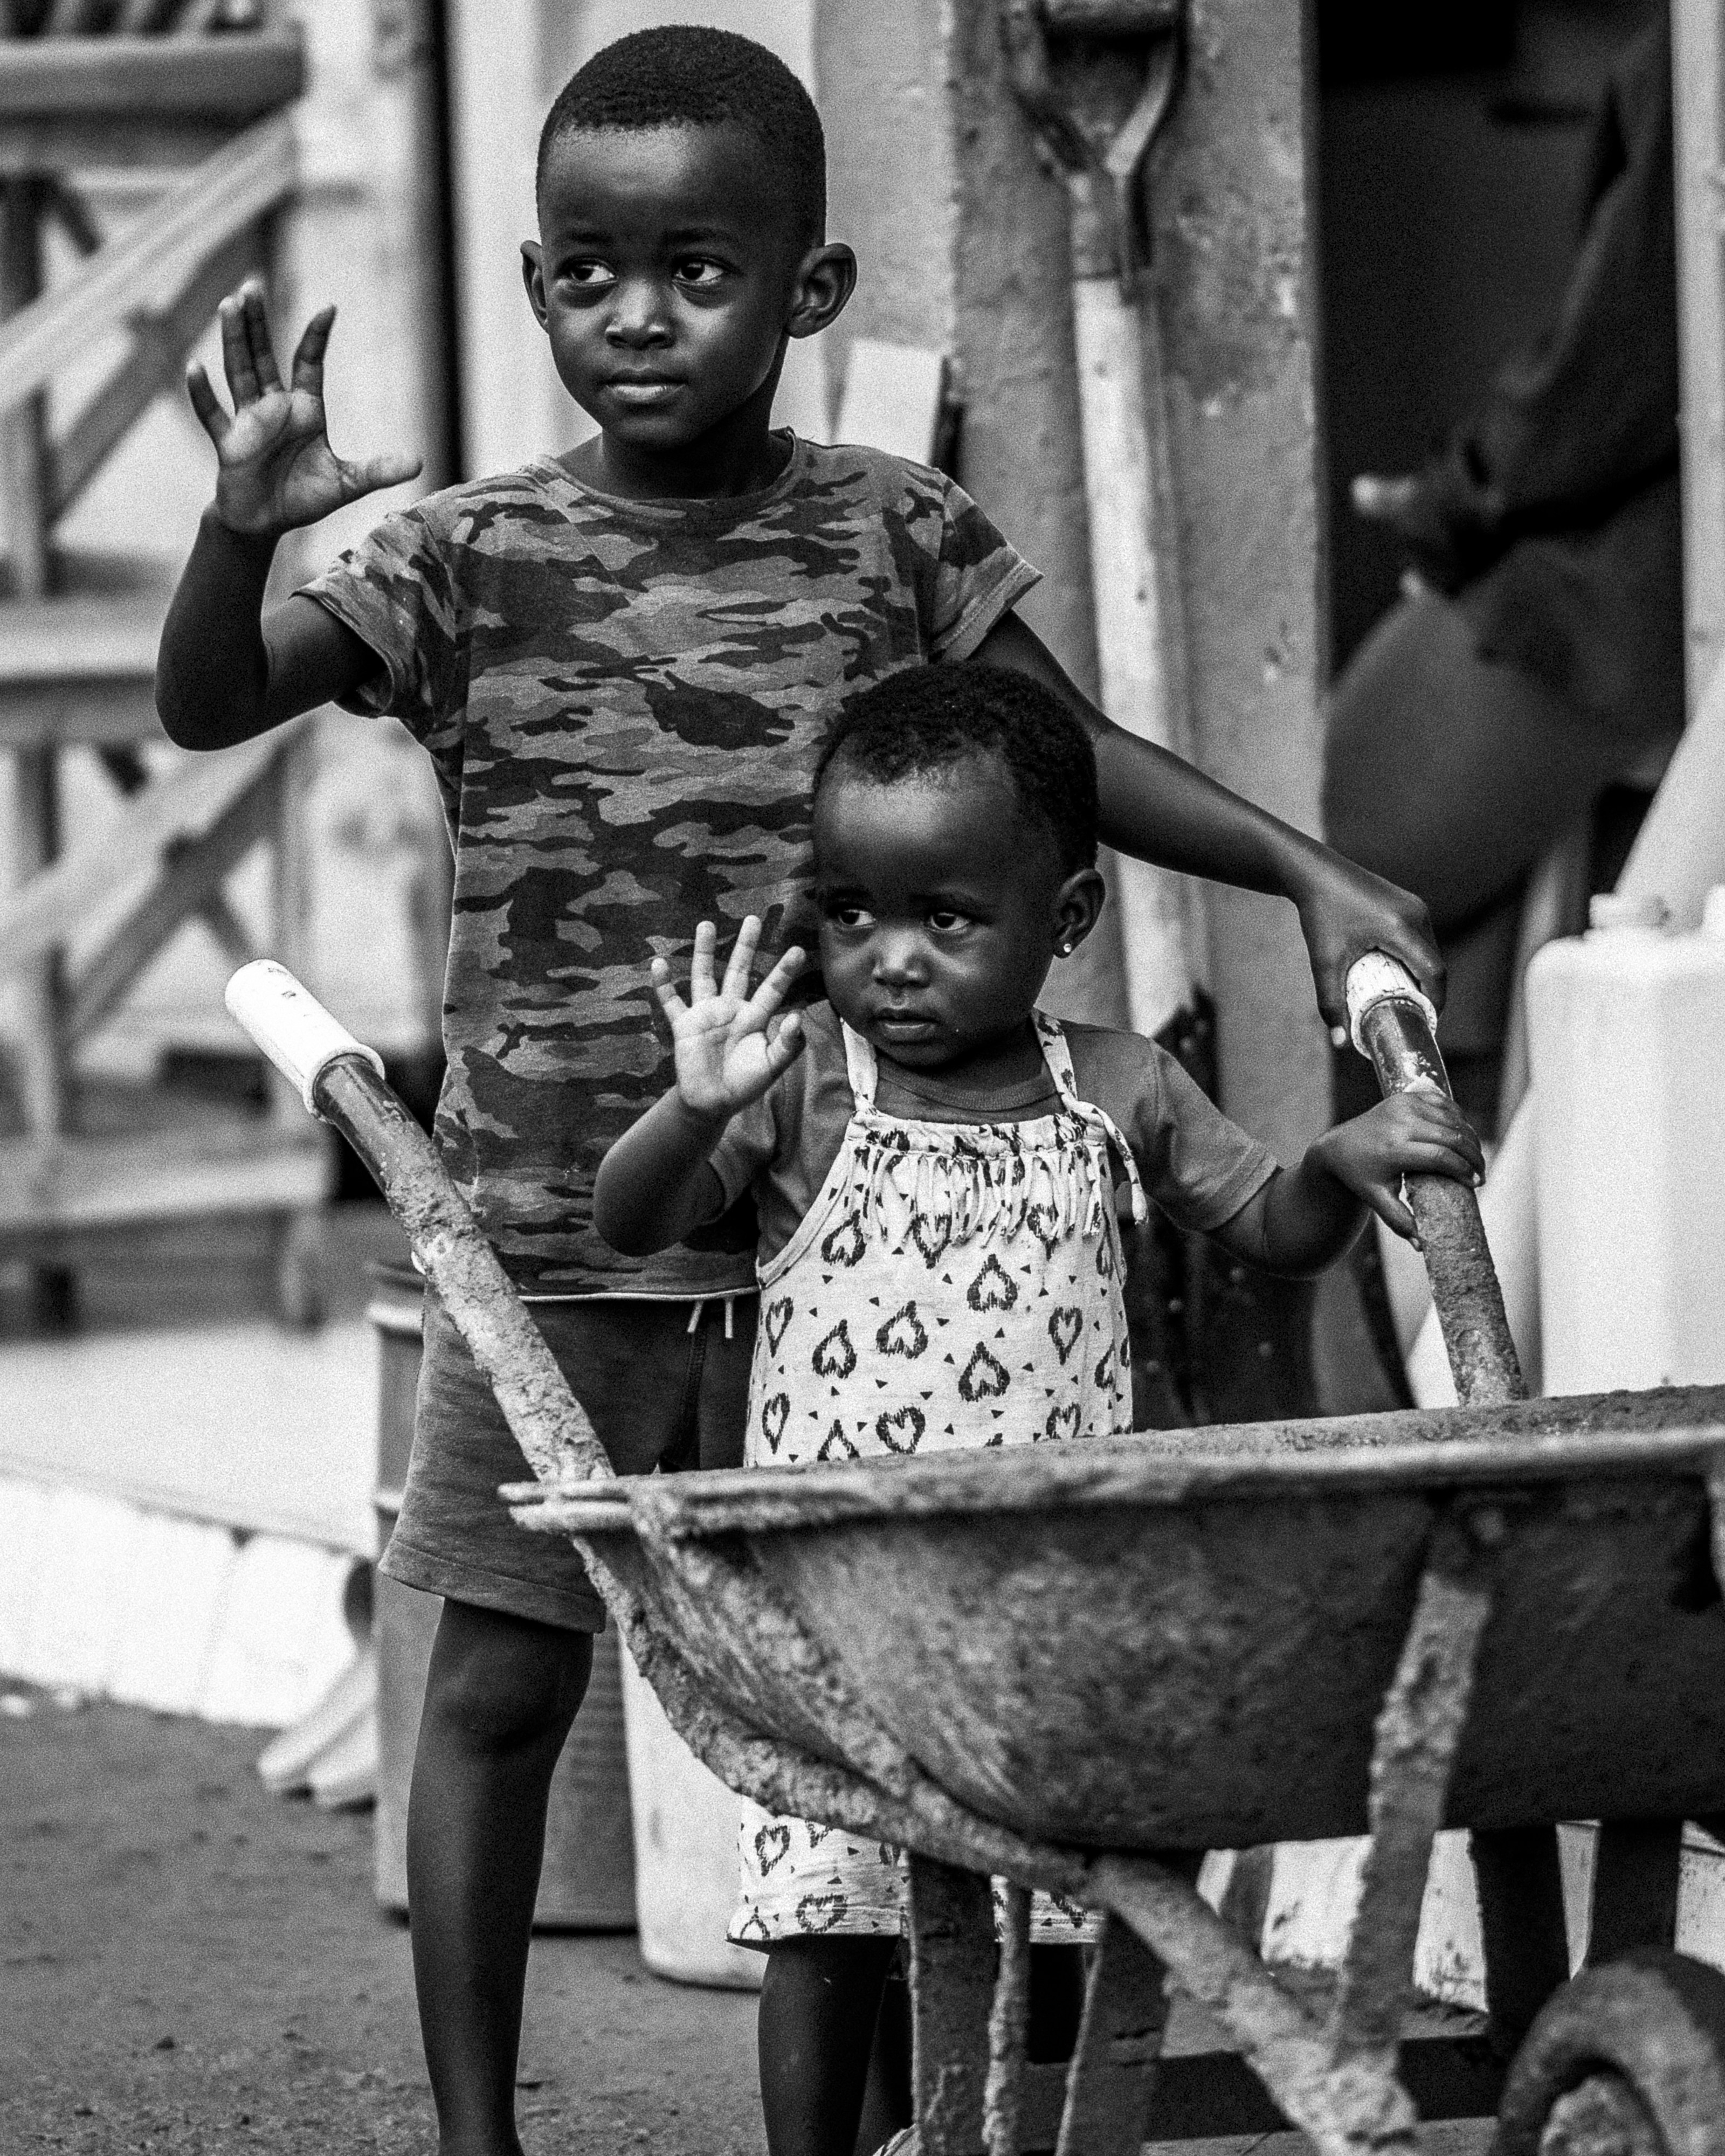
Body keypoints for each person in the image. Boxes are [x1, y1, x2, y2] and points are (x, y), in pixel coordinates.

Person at [155, 26, 1441, 2156]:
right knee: (487, 1684)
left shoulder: (894, 534)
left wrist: (1299, 867)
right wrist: (234, 528)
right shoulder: (455, 554)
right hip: (549, 1239)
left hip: (847, 1255)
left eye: (693, 270)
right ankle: (477, 2136)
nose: (633, 317)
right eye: (585, 272)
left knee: (859, 1730)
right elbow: (212, 701)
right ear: (535, 282)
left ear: (806, 295)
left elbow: (1067, 758)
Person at [594, 664, 1483, 2156]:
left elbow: (1268, 1227)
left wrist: (1339, 1163)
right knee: (836, 1926)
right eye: (854, 913)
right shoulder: (804, 1083)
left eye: (947, 921)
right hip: (840, 1621)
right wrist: (691, 1105)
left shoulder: (1121, 1086)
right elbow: (634, 1221)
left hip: (1044, 1623)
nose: (888, 962)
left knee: (1053, 1935)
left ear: (1064, 922)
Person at [1324, 11, 1680, 1127]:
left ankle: (1440, 1240)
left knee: (1322, 843)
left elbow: (1626, 364)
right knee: (1455, 937)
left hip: (1647, 569)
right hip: (1643, 555)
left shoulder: (1699, 49)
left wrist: (1452, 503)